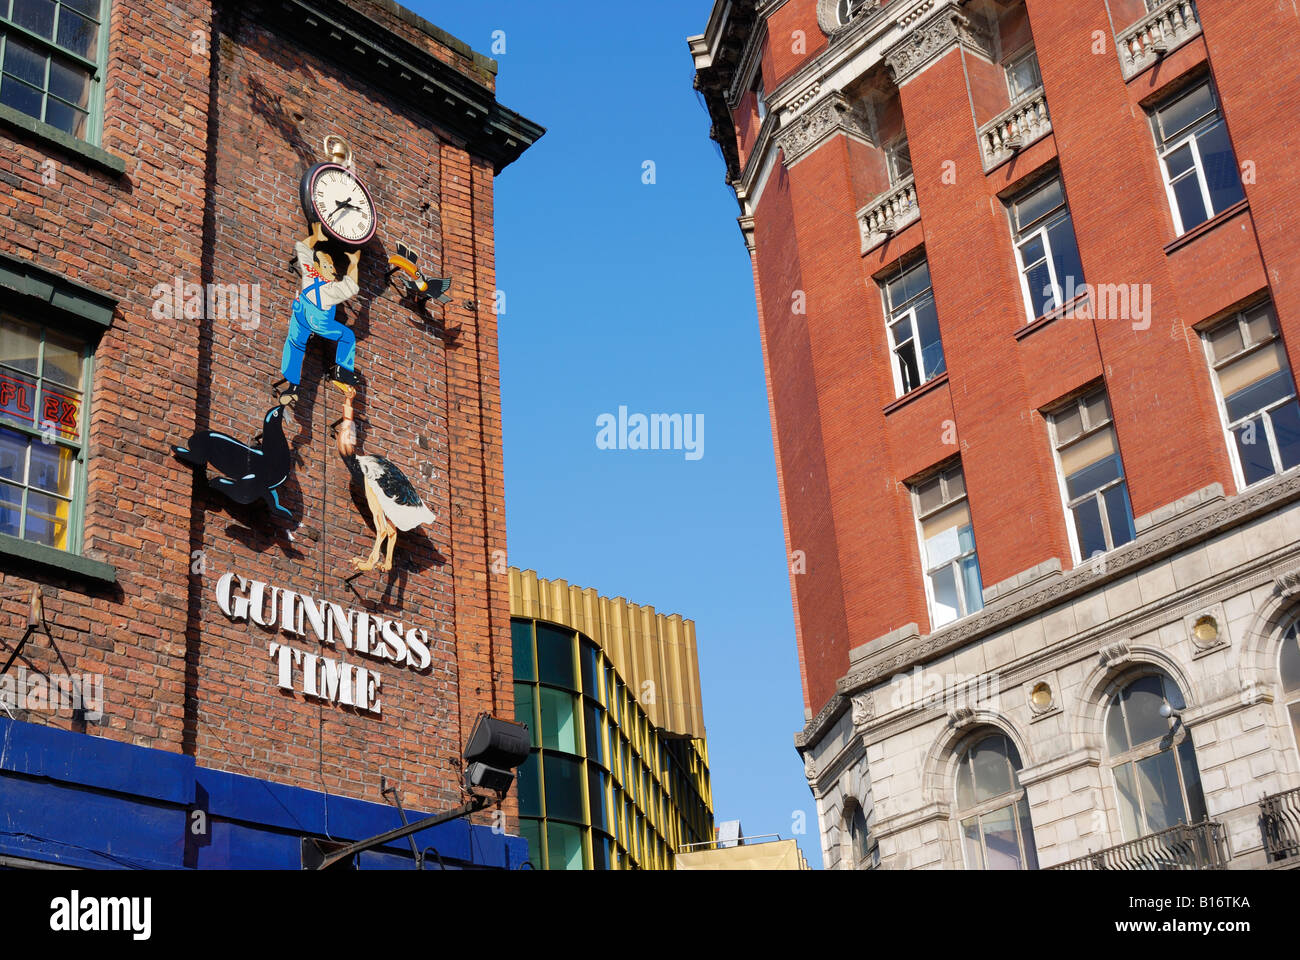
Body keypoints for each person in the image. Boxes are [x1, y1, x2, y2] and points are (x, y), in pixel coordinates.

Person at [279, 221, 361, 402]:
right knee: (347, 336)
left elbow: (303, 247)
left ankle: (292, 387)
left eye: (331, 266)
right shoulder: (330, 290)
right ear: (318, 268)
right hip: (319, 320)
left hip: (301, 312)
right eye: (327, 266)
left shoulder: (309, 274)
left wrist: (315, 236)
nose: (332, 269)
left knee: (295, 344)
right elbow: (352, 286)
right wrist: (353, 263)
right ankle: (342, 370)